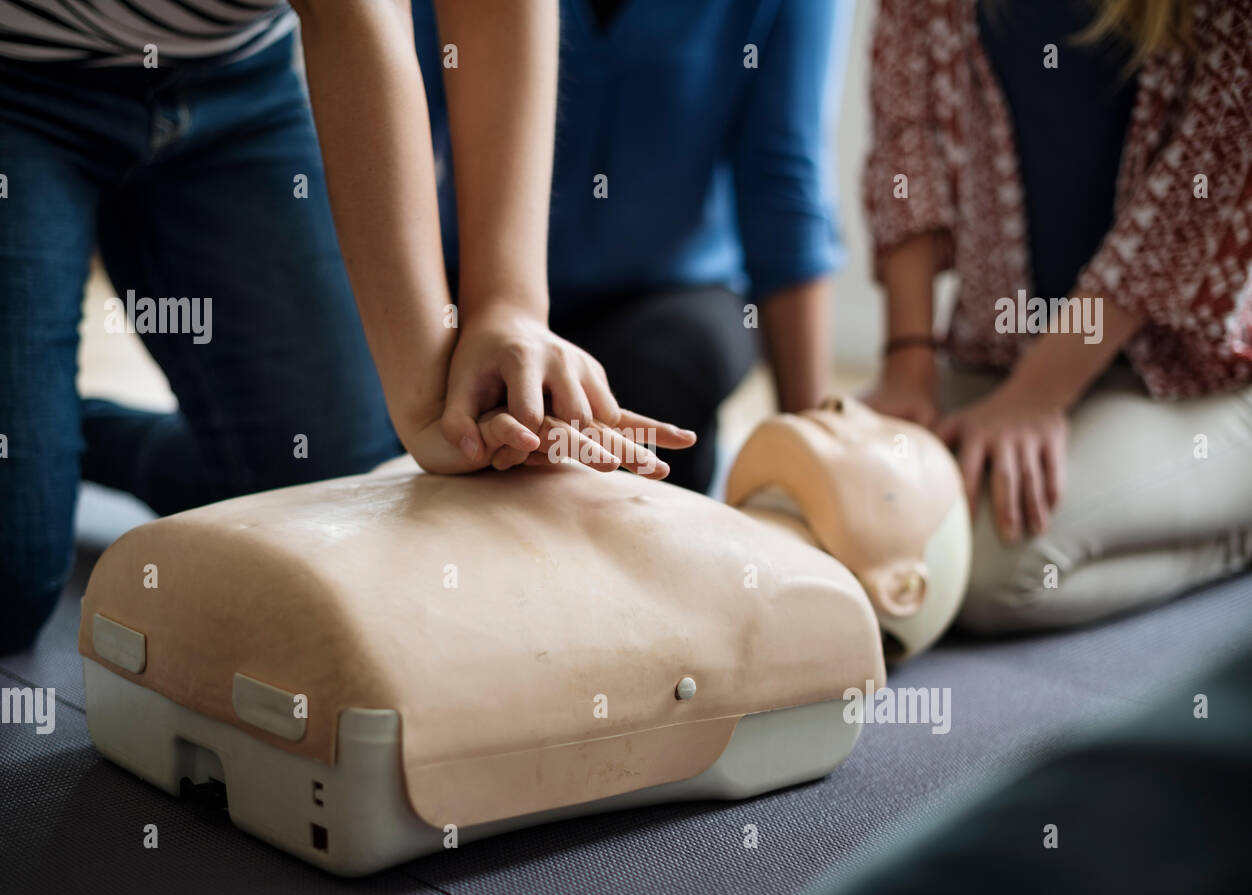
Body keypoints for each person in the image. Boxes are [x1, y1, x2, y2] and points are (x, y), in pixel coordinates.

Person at [0, 0, 690, 657]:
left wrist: (509, 308)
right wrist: (427, 406)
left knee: (332, 484)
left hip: (231, 70)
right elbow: (357, 12)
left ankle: (68, 435)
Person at [861, 0, 1252, 633]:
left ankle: (1234, 527)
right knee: (836, 508)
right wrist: (908, 363)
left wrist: (1038, 396)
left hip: (1193, 379)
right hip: (1002, 356)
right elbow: (910, 144)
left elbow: (1194, 192)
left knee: (988, 571)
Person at [414, 0, 852, 492]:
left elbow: (783, 181)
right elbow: (405, 117)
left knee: (658, 385)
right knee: (445, 400)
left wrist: (814, 455)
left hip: (672, 292)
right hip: (469, 276)